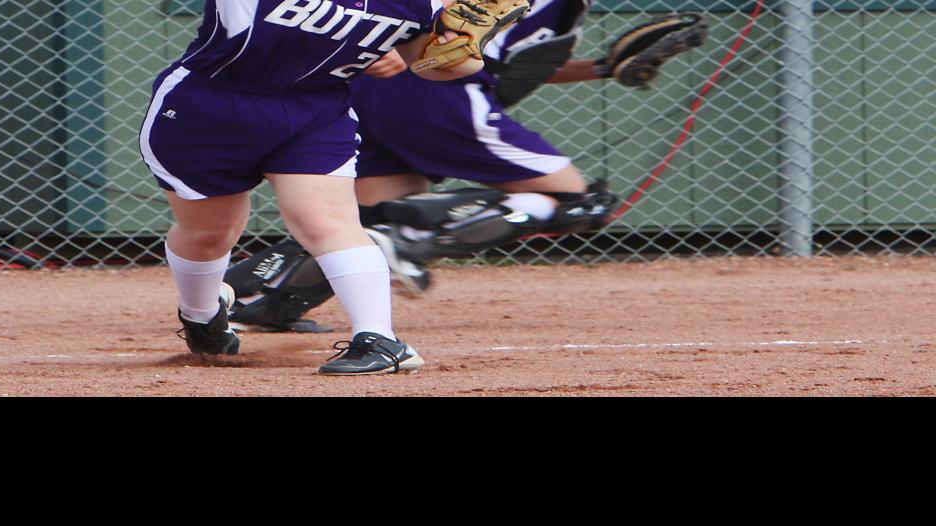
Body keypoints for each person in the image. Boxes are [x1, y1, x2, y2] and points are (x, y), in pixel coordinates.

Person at [224, 1, 707, 332]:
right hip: (435, 92)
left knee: (369, 218)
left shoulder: (564, 10)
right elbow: (437, 32)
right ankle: (412, 240)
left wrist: (603, 67)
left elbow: (512, 64)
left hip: (379, 94)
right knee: (578, 201)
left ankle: (266, 302)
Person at [140, 0, 532, 375]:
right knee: (210, 233)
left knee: (326, 223)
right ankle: (202, 314)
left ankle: (380, 340)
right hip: (209, 108)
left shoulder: (418, 3)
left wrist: (464, 46)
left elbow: (430, 66)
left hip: (315, 110)